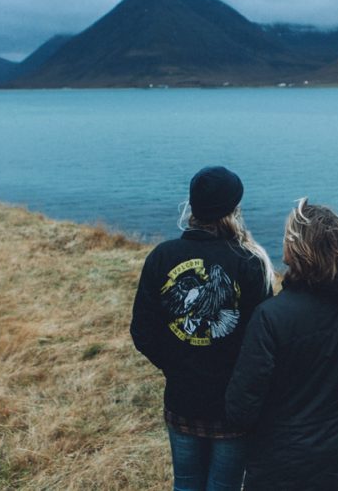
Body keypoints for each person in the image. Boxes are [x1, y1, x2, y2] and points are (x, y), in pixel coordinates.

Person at [130, 166, 275, 491]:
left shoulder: (162, 256)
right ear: (234, 210)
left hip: (183, 399)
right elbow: (263, 343)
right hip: (232, 408)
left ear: (193, 207)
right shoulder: (251, 262)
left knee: (185, 485)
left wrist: (178, 365)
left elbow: (142, 332)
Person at [225, 198, 338, 491]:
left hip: (278, 458)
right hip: (333, 450)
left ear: (298, 249)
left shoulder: (271, 316)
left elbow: (241, 407)